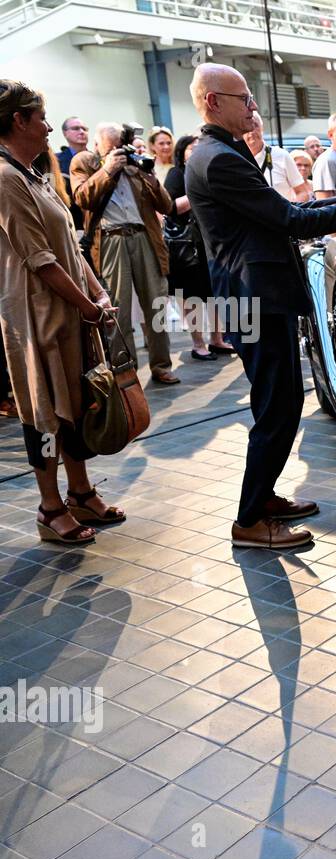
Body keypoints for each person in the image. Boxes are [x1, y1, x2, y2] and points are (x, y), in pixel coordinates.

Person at [185, 63, 336, 549]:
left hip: (254, 297)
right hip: (252, 299)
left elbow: (282, 214)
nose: (253, 107)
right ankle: (249, 519)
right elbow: (287, 218)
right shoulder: (218, 158)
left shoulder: (221, 152)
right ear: (213, 102)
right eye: (244, 98)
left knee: (276, 403)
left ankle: (265, 496)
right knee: (279, 408)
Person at [0, 80, 126, 545]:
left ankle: (80, 490)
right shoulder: (5, 177)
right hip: (36, 318)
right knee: (45, 414)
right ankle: (50, 508)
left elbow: (70, 250)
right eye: (42, 118)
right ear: (19, 121)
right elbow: (40, 260)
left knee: (74, 404)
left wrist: (98, 295)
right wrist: (87, 306)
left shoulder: (32, 173)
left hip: (68, 310)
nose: (49, 127)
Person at [71, 122, 179, 385]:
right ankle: (124, 368)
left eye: (118, 148)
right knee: (117, 309)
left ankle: (162, 365)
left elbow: (166, 205)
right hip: (110, 240)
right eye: (110, 149)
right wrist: (108, 169)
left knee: (156, 305)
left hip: (144, 238)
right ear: (99, 147)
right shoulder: (85, 162)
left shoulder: (134, 162)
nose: (116, 153)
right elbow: (82, 198)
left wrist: (149, 177)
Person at [164, 132, 233, 361]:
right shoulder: (176, 174)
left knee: (213, 293)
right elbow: (170, 207)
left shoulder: (207, 170)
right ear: (181, 153)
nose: (196, 150)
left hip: (210, 240)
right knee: (191, 296)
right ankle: (198, 343)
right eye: (191, 147)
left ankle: (217, 339)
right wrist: (199, 193)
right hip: (188, 244)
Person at [244, 111, 310, 202]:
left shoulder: (282, 156)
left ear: (262, 128)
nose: (251, 131)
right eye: (247, 127)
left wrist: (288, 212)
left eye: (255, 125)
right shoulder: (237, 160)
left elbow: (302, 193)